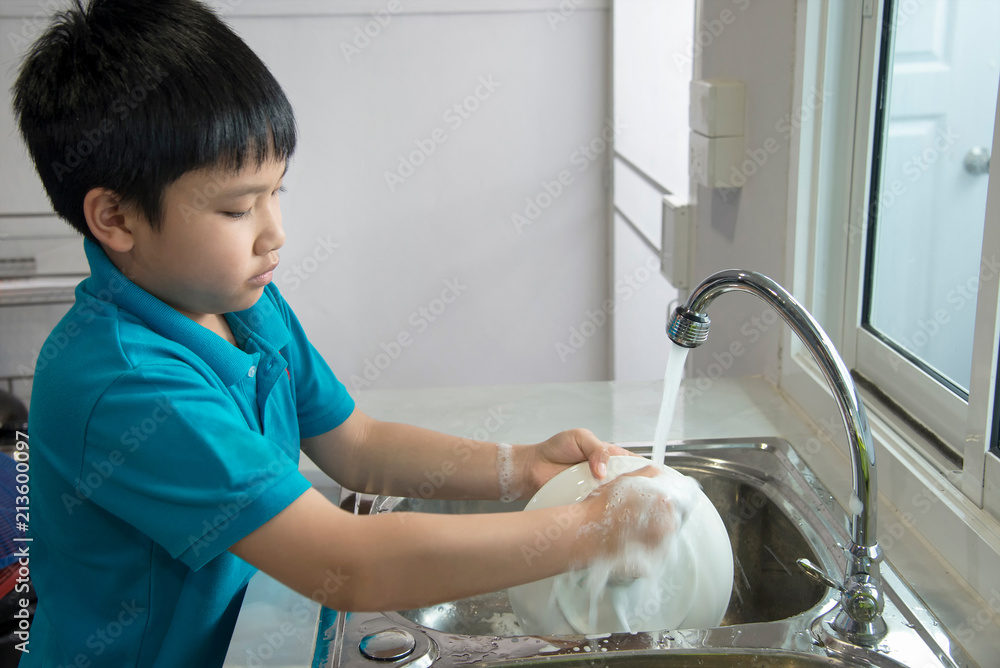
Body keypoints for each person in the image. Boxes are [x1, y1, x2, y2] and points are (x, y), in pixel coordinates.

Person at [11, 1, 677, 665]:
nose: (275, 232)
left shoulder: (242, 307)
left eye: (278, 193)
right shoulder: (125, 382)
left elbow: (358, 446)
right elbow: (345, 564)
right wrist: (593, 531)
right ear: (115, 218)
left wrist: (522, 467)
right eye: (239, 207)